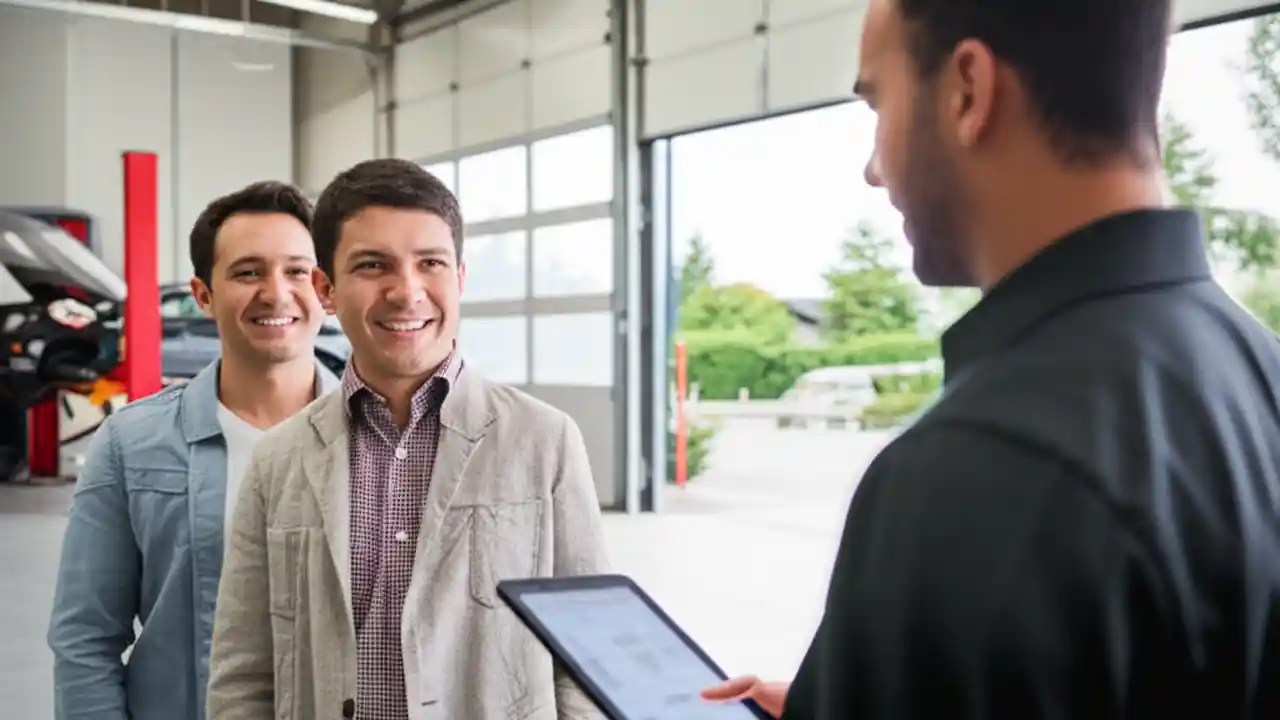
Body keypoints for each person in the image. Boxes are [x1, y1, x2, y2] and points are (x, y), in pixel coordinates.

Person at [704, 0, 1280, 717]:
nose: (873, 169)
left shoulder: (973, 472)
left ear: (968, 91)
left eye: (878, 103)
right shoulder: (1259, 374)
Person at [206, 159, 610, 720]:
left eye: (431, 264)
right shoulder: (281, 457)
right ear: (327, 288)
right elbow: (243, 673)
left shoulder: (543, 441)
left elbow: (588, 660)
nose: (407, 291)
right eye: (373, 265)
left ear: (460, 279)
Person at [47, 181, 339, 720]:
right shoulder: (133, 443)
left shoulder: (380, 437)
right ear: (203, 294)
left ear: (325, 287)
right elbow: (86, 638)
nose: (276, 293)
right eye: (248, 272)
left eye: (298, 271)